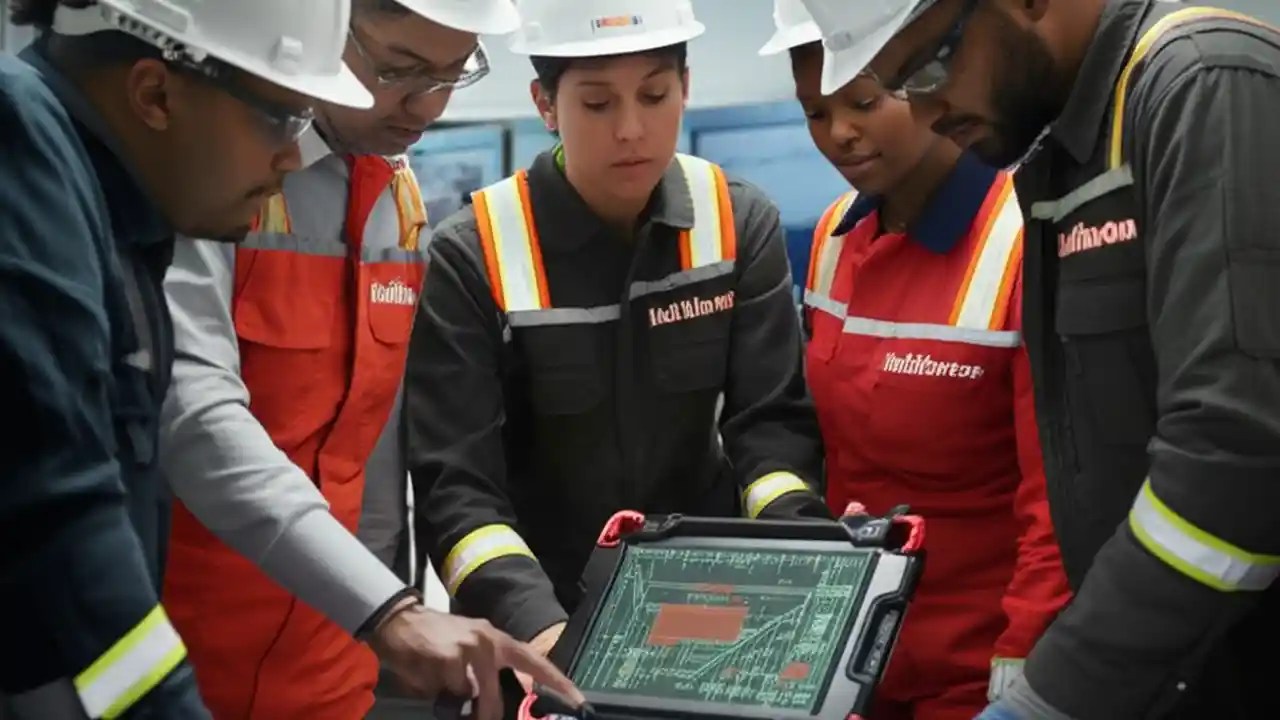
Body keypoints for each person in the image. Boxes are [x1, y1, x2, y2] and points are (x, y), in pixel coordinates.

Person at [798, 0, 1280, 717]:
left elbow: (1235, 461)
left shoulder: (1203, 85)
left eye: (931, 65)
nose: (928, 110)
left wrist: (1049, 695)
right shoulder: (1059, 153)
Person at [154, 0, 582, 718]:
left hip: (339, 668)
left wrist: (395, 625)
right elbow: (193, 416)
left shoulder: (398, 198)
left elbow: (379, 465)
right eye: (400, 69)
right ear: (325, 25)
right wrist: (390, 612)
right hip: (184, 660)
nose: (429, 103)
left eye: (455, 72)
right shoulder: (212, 176)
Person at [403, 0, 832, 694]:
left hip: (707, 623)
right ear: (546, 103)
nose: (632, 130)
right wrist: (546, 637)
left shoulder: (734, 222)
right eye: (598, 103)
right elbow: (459, 493)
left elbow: (770, 433)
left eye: (655, 96)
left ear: (685, 89)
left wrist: (801, 557)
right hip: (530, 633)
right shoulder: (475, 253)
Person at [0, 0, 370, 717]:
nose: (293, 156)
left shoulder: (116, 215)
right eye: (283, 116)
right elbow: (54, 524)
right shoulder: (21, 155)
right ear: (155, 93)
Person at [762, 1, 1070, 717]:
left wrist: (1022, 678)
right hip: (850, 668)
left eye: (865, 102)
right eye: (815, 112)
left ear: (929, 74)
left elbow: (1053, 502)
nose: (839, 134)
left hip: (979, 675)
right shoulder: (838, 234)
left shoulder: (1020, 237)